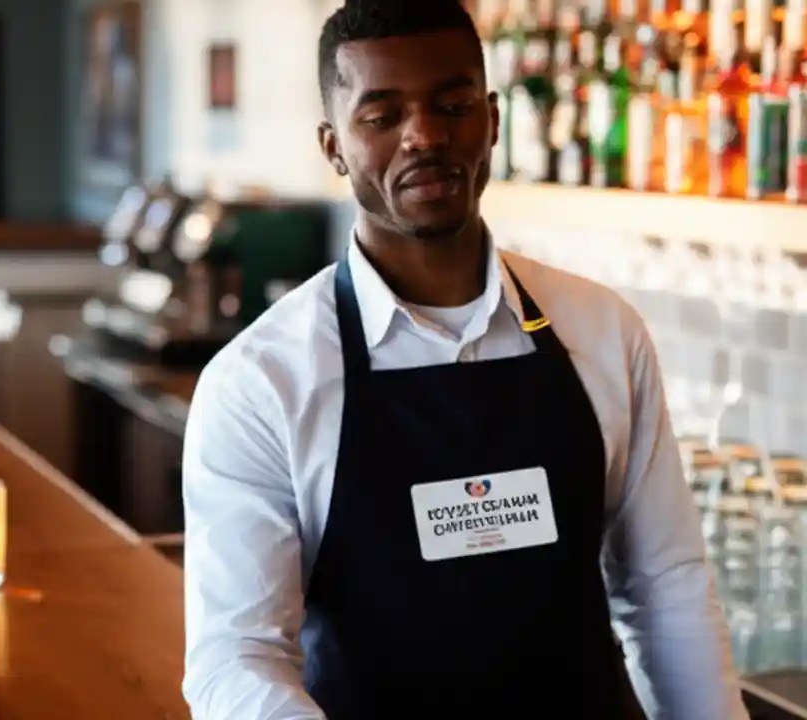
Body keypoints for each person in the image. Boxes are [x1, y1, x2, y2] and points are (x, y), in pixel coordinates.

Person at [180, 1, 748, 718]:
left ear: (494, 119)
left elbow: (665, 587)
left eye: (451, 104)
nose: (423, 135)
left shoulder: (603, 330)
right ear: (333, 147)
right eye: (381, 116)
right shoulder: (261, 380)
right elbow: (238, 656)